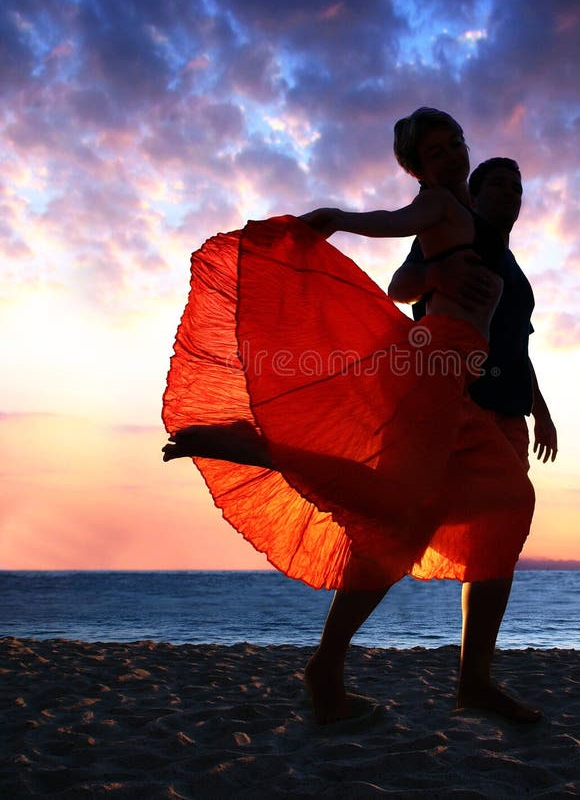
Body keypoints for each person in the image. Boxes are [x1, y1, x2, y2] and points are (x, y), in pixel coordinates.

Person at [162, 108, 537, 724]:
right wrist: (337, 221)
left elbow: (506, 331)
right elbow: (397, 240)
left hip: (455, 383)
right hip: (432, 371)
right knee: (398, 511)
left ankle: (433, 679)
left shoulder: (473, 227)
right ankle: (261, 448)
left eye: (456, 143)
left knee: (478, 508)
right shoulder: (440, 209)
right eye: (435, 151)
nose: (450, 156)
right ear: (417, 168)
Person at [387, 153, 558, 722]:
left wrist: (542, 411)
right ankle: (329, 661)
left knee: (499, 539)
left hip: (508, 415)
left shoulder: (516, 271)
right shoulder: (455, 230)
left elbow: (518, 349)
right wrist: (435, 276)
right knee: (400, 527)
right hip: (457, 401)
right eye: (500, 184)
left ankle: (474, 683)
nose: (511, 192)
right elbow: (402, 285)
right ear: (477, 192)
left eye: (518, 185)